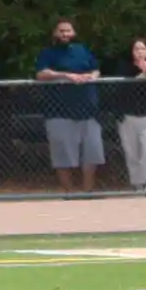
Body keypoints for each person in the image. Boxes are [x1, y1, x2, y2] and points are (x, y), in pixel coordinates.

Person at [36, 19, 103, 193]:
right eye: (61, 31)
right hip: (59, 111)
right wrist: (67, 76)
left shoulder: (82, 50)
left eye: (68, 31)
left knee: (92, 153)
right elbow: (41, 73)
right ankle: (70, 193)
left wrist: (92, 76)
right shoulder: (48, 53)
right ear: (55, 33)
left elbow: (95, 68)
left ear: (74, 33)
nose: (65, 34)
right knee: (62, 156)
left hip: (88, 110)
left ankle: (87, 192)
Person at [109, 38, 146, 194]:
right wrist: (138, 76)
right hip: (128, 116)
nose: (139, 52)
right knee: (132, 152)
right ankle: (137, 183)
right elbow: (120, 90)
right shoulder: (124, 68)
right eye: (136, 49)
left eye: (143, 49)